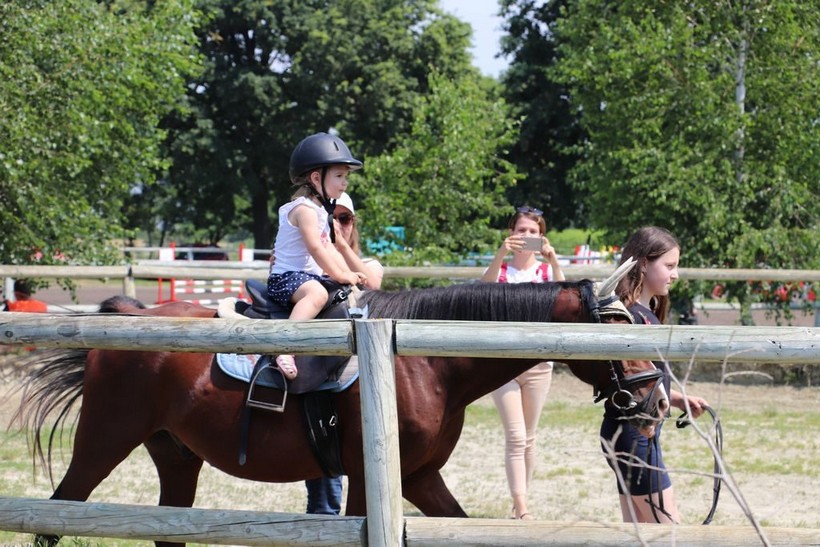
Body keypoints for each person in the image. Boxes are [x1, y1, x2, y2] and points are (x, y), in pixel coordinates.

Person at [601, 226, 709, 523]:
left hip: (634, 432)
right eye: (669, 266)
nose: (675, 274)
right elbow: (626, 383)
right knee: (667, 530)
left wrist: (676, 399)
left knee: (639, 533)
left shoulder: (644, 313)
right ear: (644, 263)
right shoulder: (629, 317)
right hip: (633, 433)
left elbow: (641, 382)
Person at [480, 205, 565, 520]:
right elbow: (482, 293)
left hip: (539, 365)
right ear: (511, 233)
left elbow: (565, 297)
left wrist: (554, 260)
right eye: (521, 230)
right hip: (502, 365)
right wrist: (500, 255)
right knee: (516, 437)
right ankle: (523, 507)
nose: (526, 236)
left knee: (529, 438)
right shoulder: (502, 271)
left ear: (541, 236)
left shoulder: (544, 273)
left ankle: (519, 503)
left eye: (533, 231)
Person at [305, 191, 384, 515]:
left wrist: (338, 246)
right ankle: (324, 511)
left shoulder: (368, 264)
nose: (338, 223)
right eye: (331, 217)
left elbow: (373, 285)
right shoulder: (308, 259)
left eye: (345, 218)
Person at [268, 133, 369, 380]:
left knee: (343, 293)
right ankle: (284, 347)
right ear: (316, 178)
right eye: (339, 176)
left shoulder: (320, 212)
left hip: (305, 276)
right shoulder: (304, 210)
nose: (345, 183)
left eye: (346, 177)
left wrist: (348, 277)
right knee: (318, 294)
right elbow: (316, 249)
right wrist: (341, 274)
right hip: (286, 278)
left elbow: (328, 250)